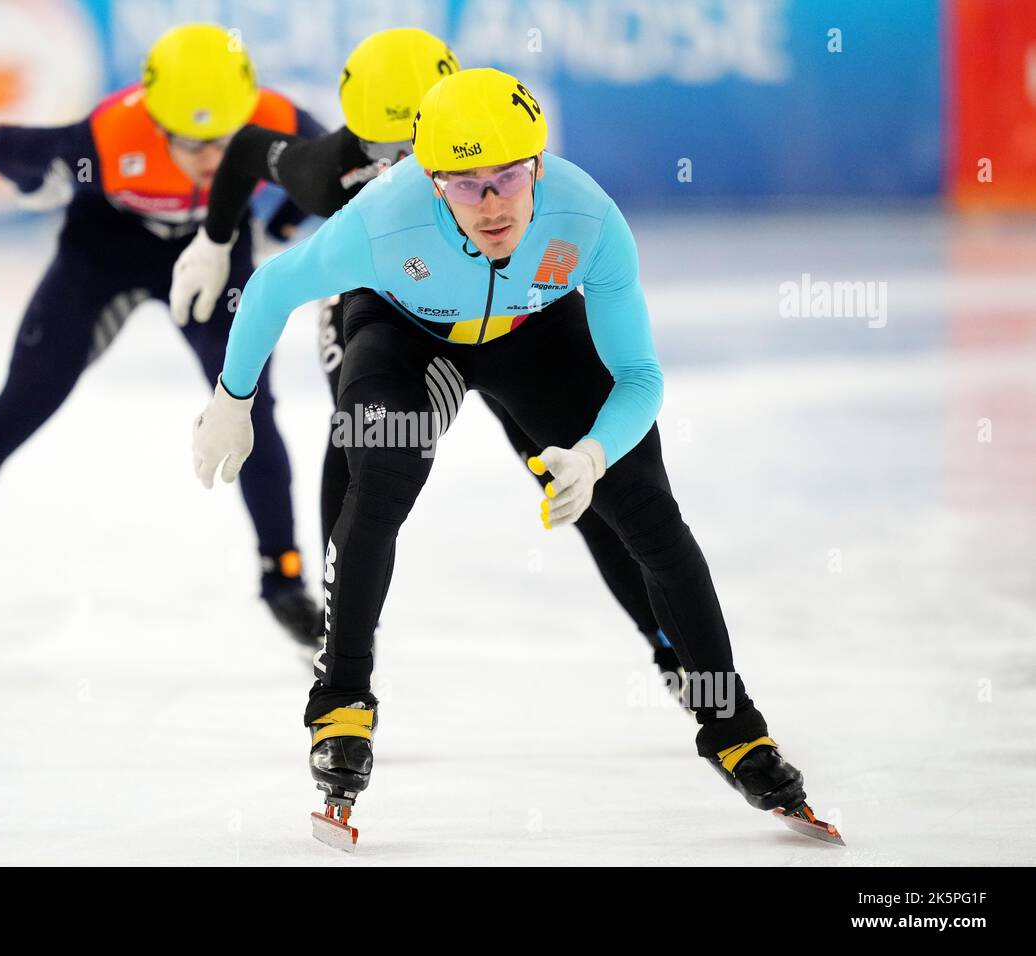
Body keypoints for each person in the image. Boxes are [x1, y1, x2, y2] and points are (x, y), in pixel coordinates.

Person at [191, 67, 821, 836]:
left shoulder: (586, 216)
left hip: (537, 337)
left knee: (648, 516)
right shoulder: (382, 218)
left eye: (509, 178)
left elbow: (640, 376)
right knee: (380, 468)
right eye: (465, 185)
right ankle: (342, 707)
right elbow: (270, 291)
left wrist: (592, 455)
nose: (491, 204)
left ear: (538, 166)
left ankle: (735, 725)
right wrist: (232, 401)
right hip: (408, 338)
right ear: (430, 181)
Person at [171, 28, 681, 690]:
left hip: (519, 318)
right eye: (386, 149)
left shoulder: (498, 176)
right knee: (359, 442)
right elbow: (245, 150)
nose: (406, 166)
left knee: (575, 478)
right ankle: (345, 645)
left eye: (421, 143)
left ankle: (670, 646)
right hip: (398, 312)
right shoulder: (333, 172)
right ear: (359, 142)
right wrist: (215, 241)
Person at [0, 24, 326, 678]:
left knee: (248, 408)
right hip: (105, 254)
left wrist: (282, 227)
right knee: (18, 410)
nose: (213, 161)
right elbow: (2, 144)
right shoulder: (108, 137)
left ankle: (284, 580)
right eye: (192, 143)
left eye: (227, 140)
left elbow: (332, 176)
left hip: (214, 256)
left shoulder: (277, 119)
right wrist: (31, 181)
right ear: (157, 124)